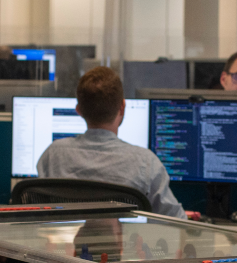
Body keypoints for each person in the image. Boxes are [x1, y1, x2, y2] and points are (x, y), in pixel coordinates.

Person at [36, 66, 188, 219]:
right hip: (122, 236)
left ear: (79, 110)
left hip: (68, 235)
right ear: (122, 108)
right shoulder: (146, 163)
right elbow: (178, 222)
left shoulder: (52, 155)